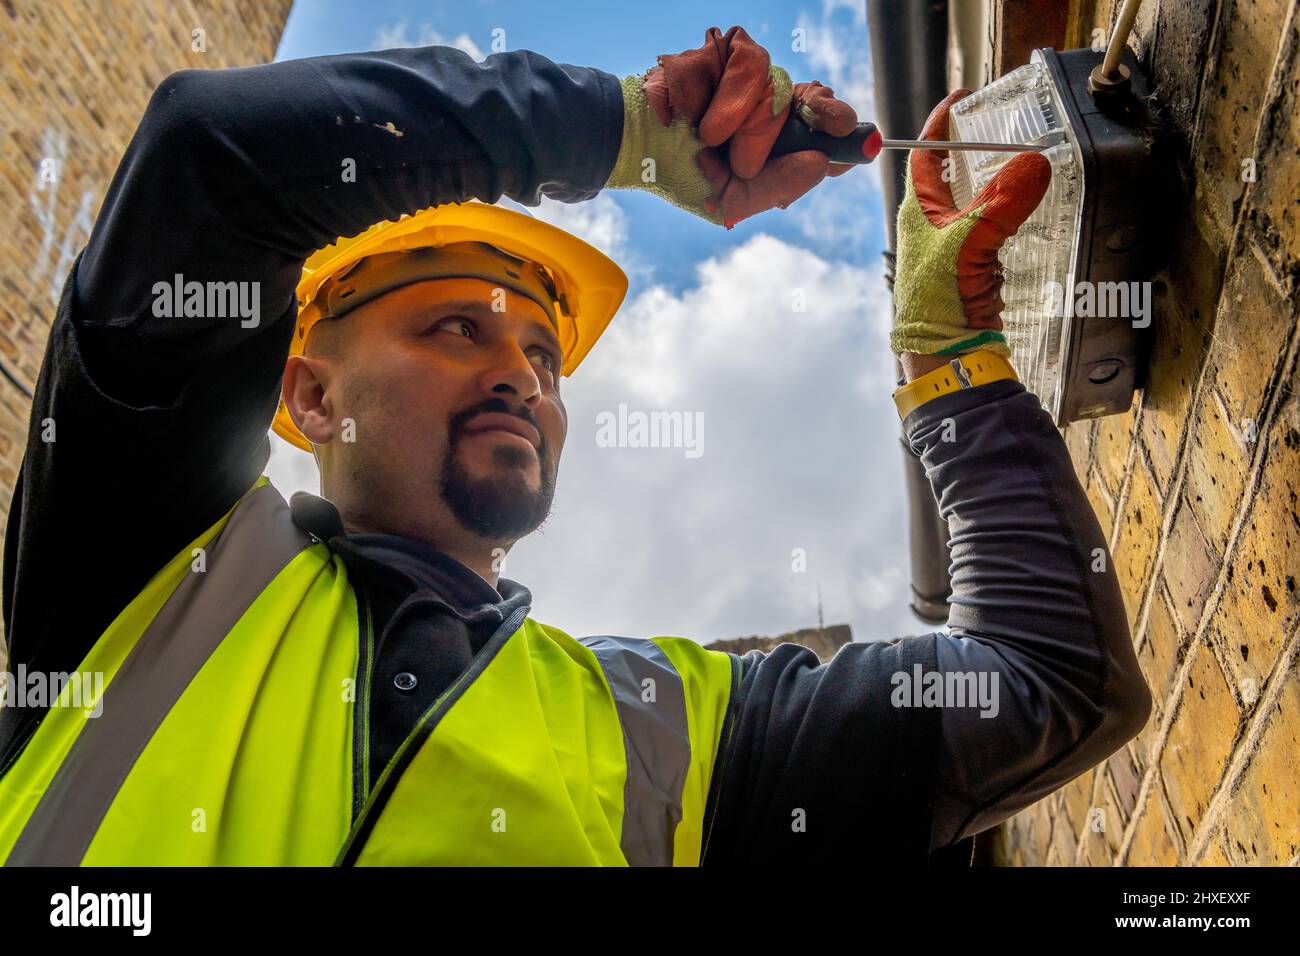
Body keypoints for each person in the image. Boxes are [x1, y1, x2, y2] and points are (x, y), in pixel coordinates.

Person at [0, 25, 1150, 866]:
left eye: (544, 357)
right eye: (455, 326)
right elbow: (211, 159)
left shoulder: (657, 722)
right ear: (307, 391)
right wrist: (630, 135)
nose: (519, 373)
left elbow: (1049, 683)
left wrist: (945, 357)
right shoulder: (162, 575)